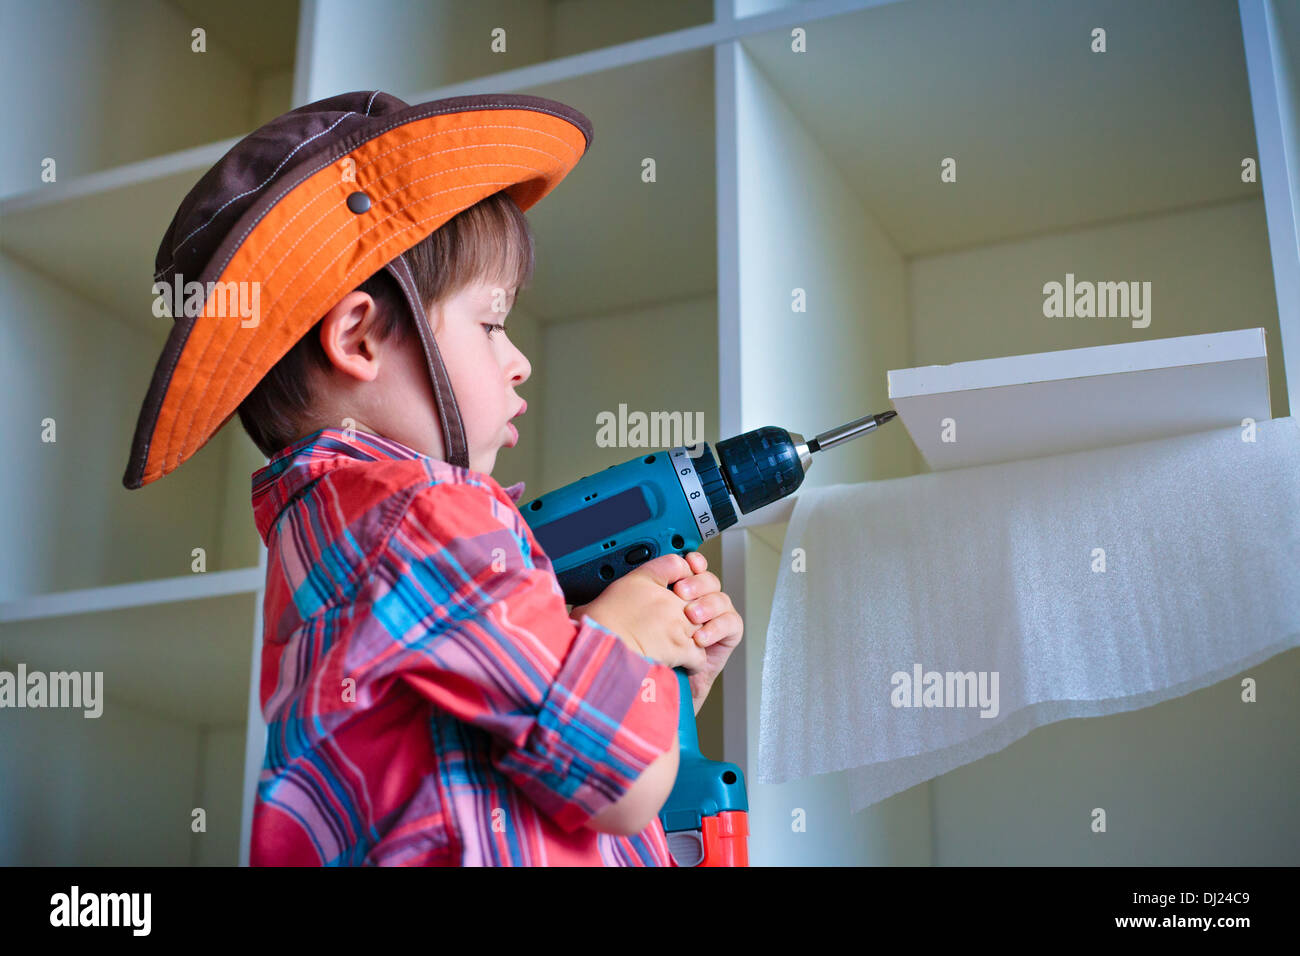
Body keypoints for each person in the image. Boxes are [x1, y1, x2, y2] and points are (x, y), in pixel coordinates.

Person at [123, 90, 743, 865]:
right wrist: (620, 641)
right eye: (490, 323)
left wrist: (663, 674)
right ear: (358, 337)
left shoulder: (325, 534)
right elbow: (620, 784)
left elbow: (510, 774)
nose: (518, 360)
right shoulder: (430, 514)